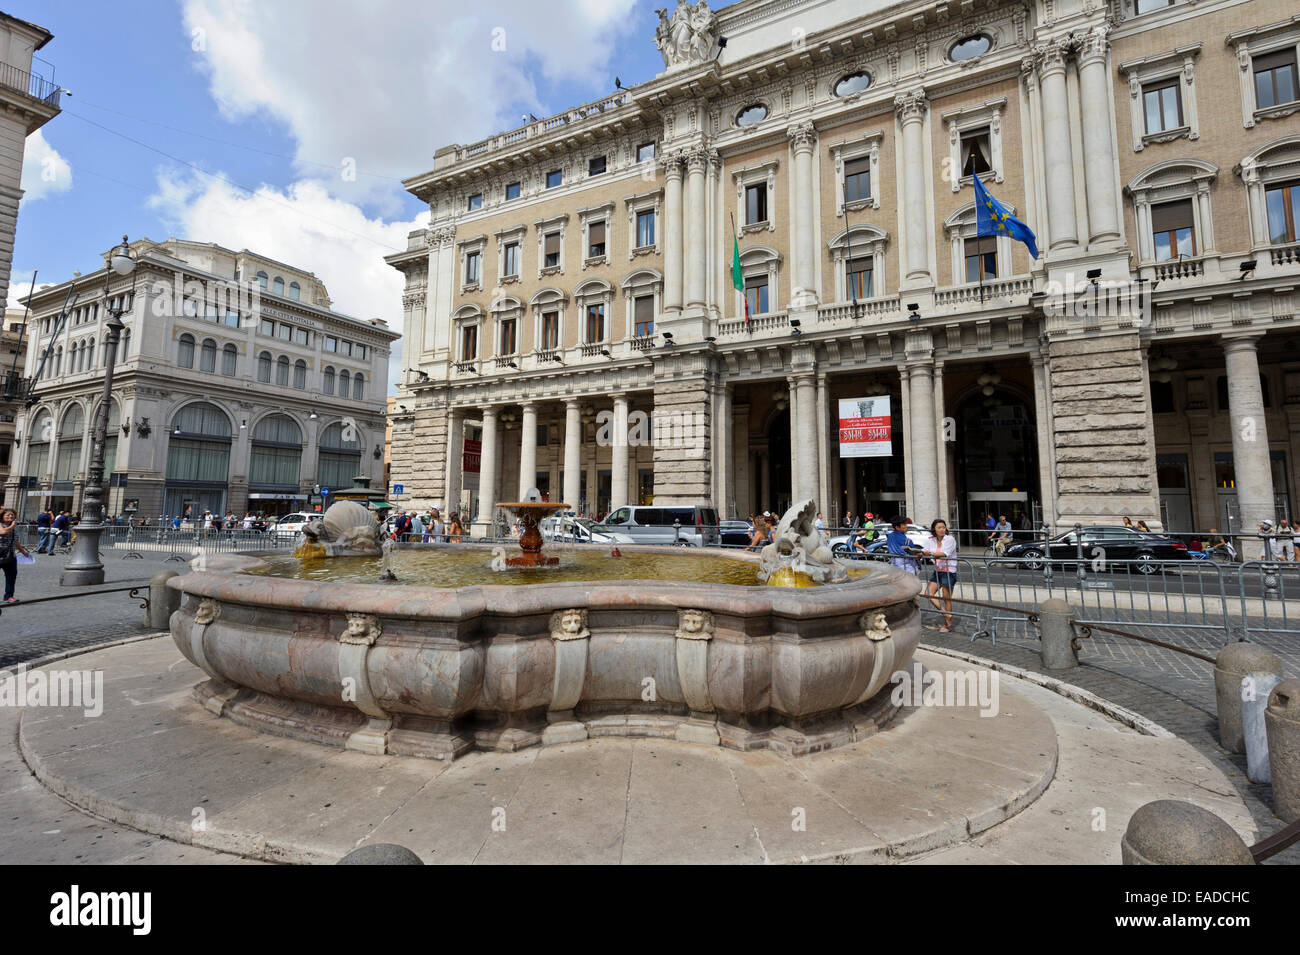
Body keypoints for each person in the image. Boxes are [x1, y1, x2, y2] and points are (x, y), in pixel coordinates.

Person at [923, 519, 958, 632]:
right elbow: (925, 550)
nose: (942, 529)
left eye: (943, 527)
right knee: (928, 593)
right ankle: (946, 614)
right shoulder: (931, 540)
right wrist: (917, 552)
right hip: (938, 570)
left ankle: (948, 625)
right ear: (934, 529)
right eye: (939, 527)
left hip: (949, 570)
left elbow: (944, 553)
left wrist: (930, 553)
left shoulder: (950, 539)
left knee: (946, 598)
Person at [0, 508, 31, 604]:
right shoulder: (1, 525)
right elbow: (3, 532)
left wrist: (23, 551)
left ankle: (9, 596)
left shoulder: (14, 528)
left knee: (11, 576)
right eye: (8, 515)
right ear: (2, 516)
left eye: (12, 515)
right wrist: (12, 526)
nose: (11, 516)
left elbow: (15, 541)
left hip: (10, 555)